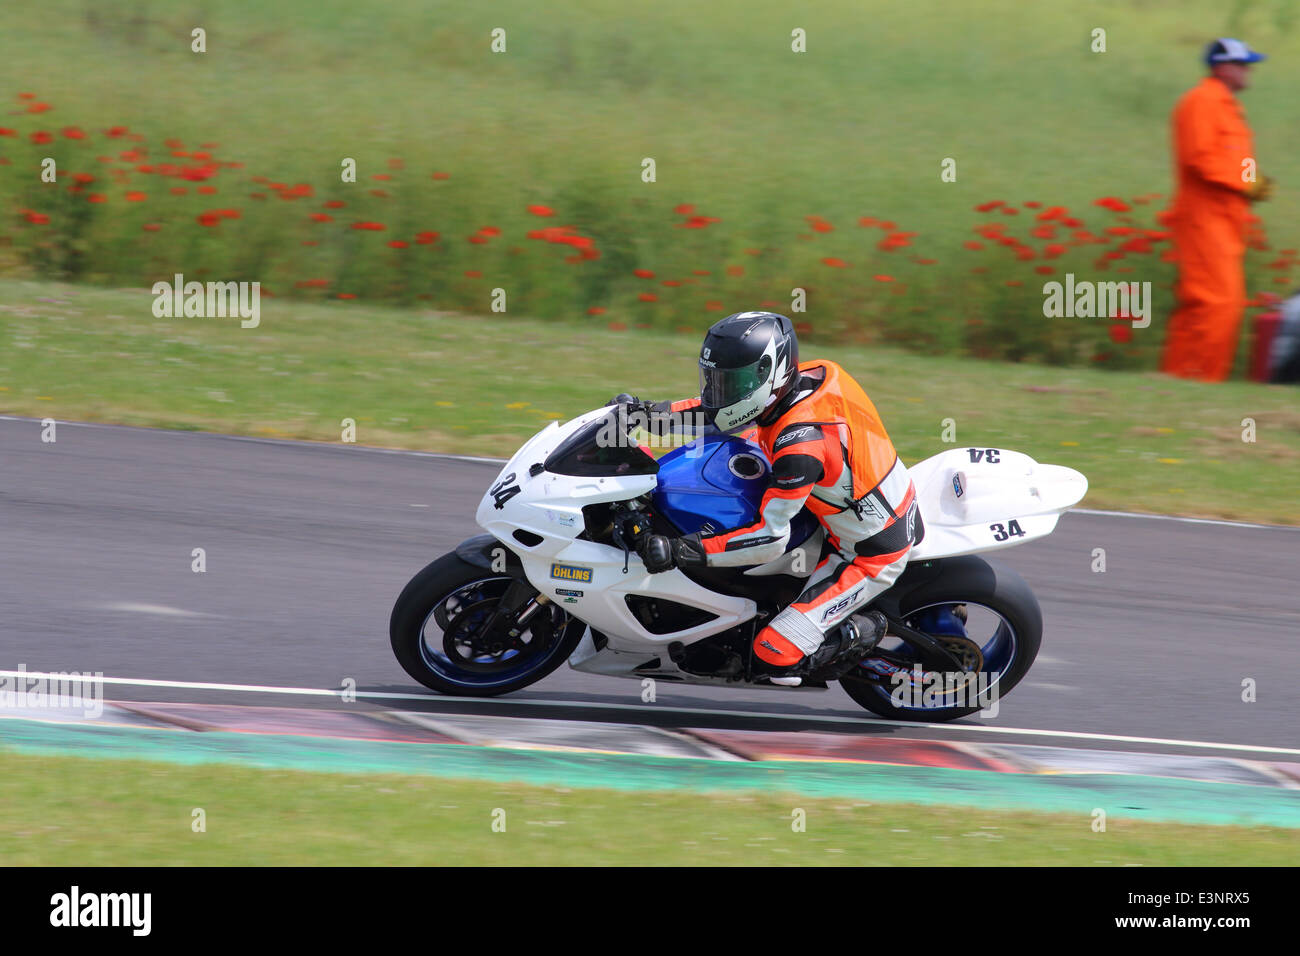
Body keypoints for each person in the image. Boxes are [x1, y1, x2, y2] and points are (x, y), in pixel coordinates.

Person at [622, 311, 919, 685]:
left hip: (866, 551)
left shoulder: (800, 446)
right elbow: (718, 413)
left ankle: (867, 628)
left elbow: (768, 540)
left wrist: (683, 550)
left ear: (770, 372)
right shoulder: (804, 378)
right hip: (839, 497)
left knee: (775, 655)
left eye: (731, 383)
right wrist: (645, 414)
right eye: (715, 379)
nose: (719, 392)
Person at [1161, 37, 1273, 382]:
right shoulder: (1202, 102)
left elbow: (1235, 160)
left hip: (1226, 221)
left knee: (1216, 303)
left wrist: (1254, 183)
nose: (1248, 71)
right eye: (1243, 65)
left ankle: (1183, 380)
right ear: (1223, 67)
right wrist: (1246, 184)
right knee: (1216, 304)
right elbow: (1202, 159)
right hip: (1203, 220)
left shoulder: (1227, 107)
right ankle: (1197, 380)